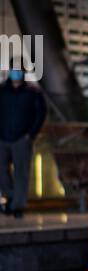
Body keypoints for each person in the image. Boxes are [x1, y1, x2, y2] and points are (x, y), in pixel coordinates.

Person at [0, 69, 47, 218]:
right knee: (1, 171)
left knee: (21, 172)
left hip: (22, 139)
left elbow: (41, 112)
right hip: (2, 138)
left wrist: (31, 135)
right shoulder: (1, 90)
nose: (16, 73)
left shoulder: (32, 92)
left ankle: (17, 206)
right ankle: (10, 196)